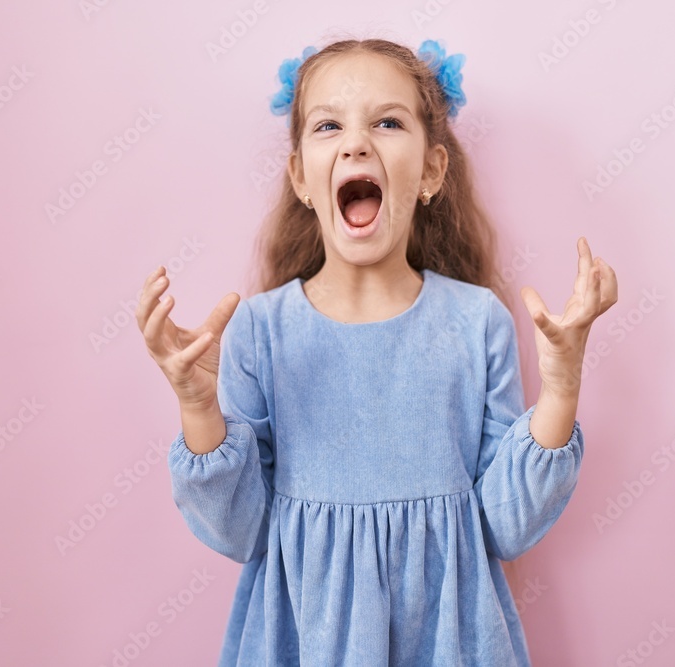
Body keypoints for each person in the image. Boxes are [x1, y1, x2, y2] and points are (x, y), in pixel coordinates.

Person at [136, 37, 617, 667]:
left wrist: (561, 387)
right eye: (329, 125)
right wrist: (198, 407)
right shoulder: (260, 330)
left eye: (387, 122)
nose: (356, 143)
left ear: (433, 172)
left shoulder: (478, 323)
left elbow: (506, 527)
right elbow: (239, 530)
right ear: (302, 179)